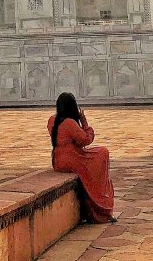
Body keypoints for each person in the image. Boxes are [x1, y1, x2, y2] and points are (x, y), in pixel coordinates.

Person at [47, 92, 116, 223]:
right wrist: (84, 123)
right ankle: (101, 204)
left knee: (96, 156)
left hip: (57, 160)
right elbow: (85, 140)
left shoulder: (52, 120)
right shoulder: (69, 123)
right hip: (72, 159)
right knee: (102, 153)